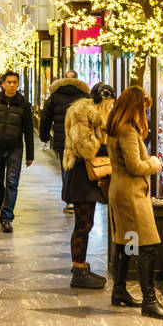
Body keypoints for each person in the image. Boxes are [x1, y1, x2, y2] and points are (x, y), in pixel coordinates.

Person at [106, 84, 163, 318]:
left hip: (121, 190)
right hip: (131, 194)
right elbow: (135, 166)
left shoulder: (117, 126)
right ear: (134, 107)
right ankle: (149, 301)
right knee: (148, 245)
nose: (144, 114)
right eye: (143, 109)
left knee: (126, 242)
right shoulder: (127, 130)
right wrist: (153, 165)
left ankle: (119, 290)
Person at [62, 82, 116, 289]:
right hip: (81, 176)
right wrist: (104, 138)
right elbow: (85, 148)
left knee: (87, 223)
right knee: (83, 224)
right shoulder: (81, 114)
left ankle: (82, 265)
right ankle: (78, 270)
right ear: (101, 101)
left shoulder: (95, 115)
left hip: (87, 177)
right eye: (109, 104)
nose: (110, 108)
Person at [0, 70, 34, 234]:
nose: (11, 85)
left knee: (11, 182)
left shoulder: (24, 104)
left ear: (18, 84)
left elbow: (28, 131)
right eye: (9, 82)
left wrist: (30, 155)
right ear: (3, 84)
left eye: (14, 82)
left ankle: (7, 217)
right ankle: (4, 208)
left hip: (15, 149)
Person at [40, 69, 90, 213]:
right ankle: (78, 197)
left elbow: (45, 117)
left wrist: (44, 136)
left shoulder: (55, 97)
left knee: (66, 168)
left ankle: (69, 200)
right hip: (80, 139)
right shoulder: (84, 96)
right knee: (79, 169)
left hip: (62, 140)